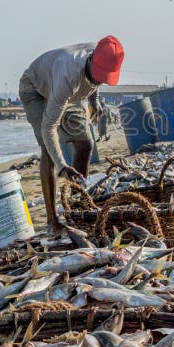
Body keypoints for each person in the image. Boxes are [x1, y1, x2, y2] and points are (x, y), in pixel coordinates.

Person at [19, 36, 124, 232]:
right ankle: (53, 220)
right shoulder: (67, 75)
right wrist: (62, 166)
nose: (98, 80)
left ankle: (79, 205)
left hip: (72, 93)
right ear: (91, 59)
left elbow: (95, 82)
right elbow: (49, 127)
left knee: (85, 144)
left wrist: (95, 101)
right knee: (48, 151)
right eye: (98, 74)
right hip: (35, 88)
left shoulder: (104, 52)